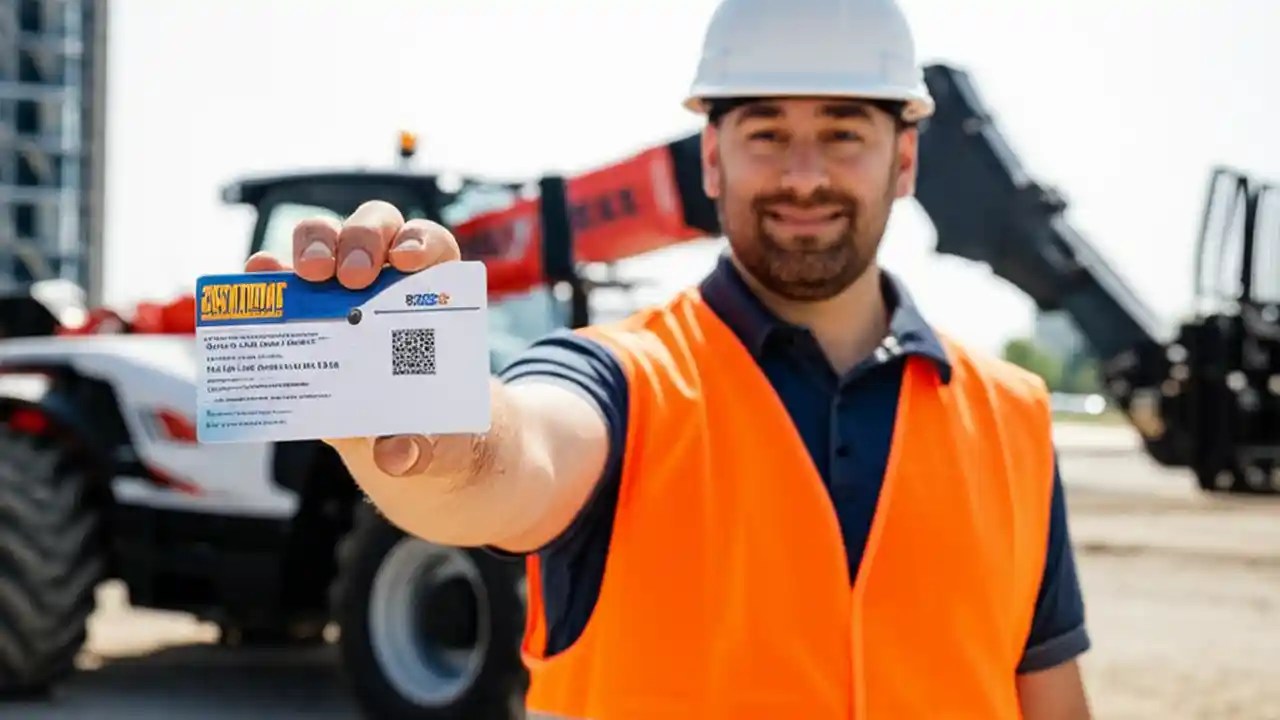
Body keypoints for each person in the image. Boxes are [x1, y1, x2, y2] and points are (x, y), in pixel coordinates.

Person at [247, 0, 1094, 716]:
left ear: (903, 159)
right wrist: (430, 437)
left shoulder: (1011, 416)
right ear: (711, 160)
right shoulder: (623, 380)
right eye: (766, 133)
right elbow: (513, 461)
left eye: (842, 133)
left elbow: (1049, 692)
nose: (804, 176)